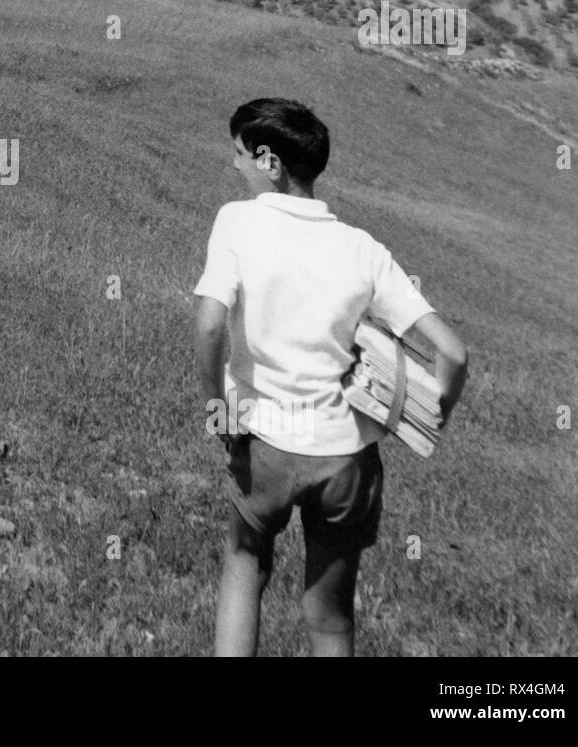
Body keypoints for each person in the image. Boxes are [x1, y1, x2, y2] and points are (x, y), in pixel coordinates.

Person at [193, 98, 468, 656]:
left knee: (245, 565)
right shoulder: (363, 250)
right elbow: (453, 354)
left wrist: (217, 409)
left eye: (241, 154)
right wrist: (426, 420)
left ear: (271, 163)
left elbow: (208, 325)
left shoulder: (239, 220)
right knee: (330, 619)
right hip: (347, 461)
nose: (236, 165)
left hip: (264, 444)